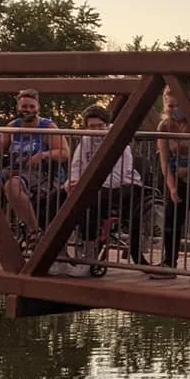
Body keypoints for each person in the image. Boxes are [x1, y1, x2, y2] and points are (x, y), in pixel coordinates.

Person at [65, 105, 146, 278]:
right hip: (91, 185)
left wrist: (86, 186)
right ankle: (57, 253)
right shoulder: (86, 139)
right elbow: (77, 165)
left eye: (99, 126)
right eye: (91, 127)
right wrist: (72, 182)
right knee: (56, 198)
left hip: (123, 186)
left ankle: (89, 254)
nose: (96, 130)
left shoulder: (119, 140)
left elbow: (117, 175)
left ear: (107, 124)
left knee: (90, 201)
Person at [0, 89, 70, 253]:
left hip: (42, 173)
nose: (28, 110)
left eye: (31, 106)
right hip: (15, 168)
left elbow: (64, 152)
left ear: (38, 107)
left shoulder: (47, 127)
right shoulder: (13, 127)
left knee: (12, 186)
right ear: (18, 108)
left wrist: (43, 154)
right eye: (24, 106)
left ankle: (34, 231)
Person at [157, 86, 190, 275]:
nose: (174, 109)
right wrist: (171, 186)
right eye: (171, 105)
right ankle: (169, 262)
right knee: (171, 222)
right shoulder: (164, 126)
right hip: (179, 177)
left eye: (178, 105)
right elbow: (165, 160)